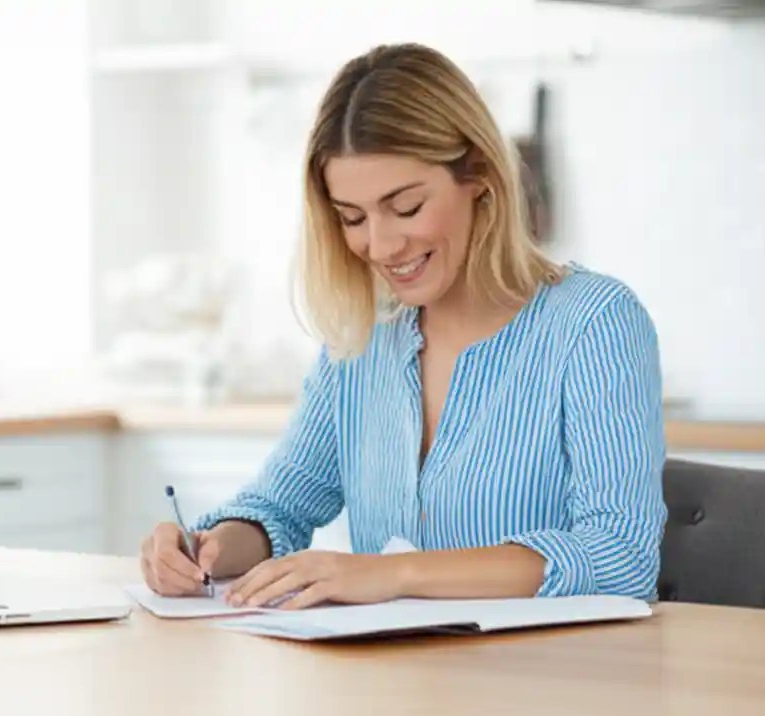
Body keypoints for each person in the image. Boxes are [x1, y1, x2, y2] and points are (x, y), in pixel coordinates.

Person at [139, 43, 667, 610]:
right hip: (391, 687)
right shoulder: (364, 339)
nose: (383, 246)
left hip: (548, 687)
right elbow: (279, 508)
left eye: (408, 207)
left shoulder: (594, 323)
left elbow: (620, 557)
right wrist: (208, 550)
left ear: (480, 178)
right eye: (353, 218)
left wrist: (393, 573)